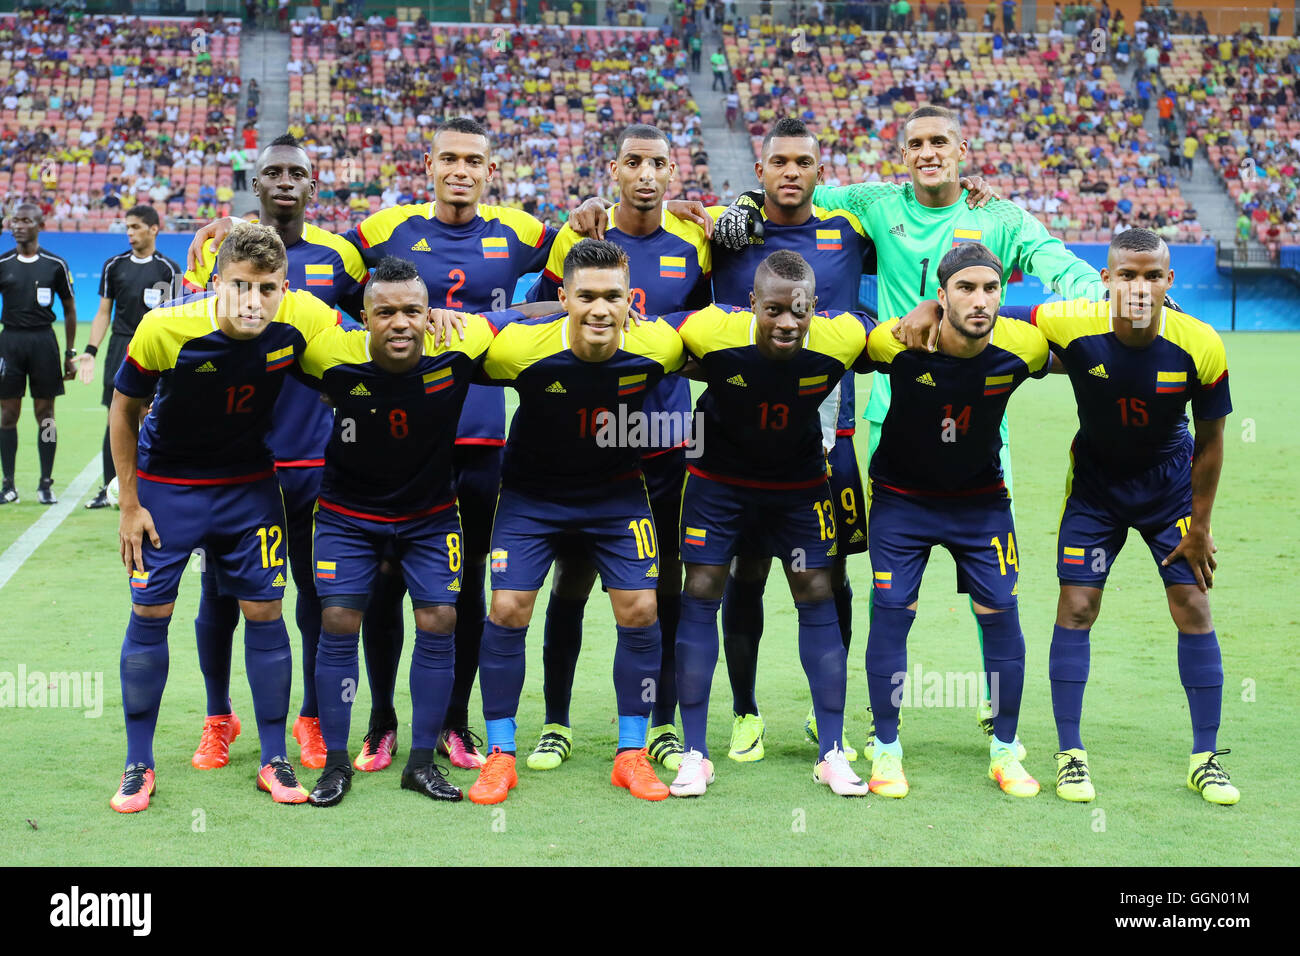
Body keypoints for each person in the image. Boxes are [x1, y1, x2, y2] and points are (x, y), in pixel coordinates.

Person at [714, 105, 1104, 759]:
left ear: (962, 148)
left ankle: (991, 706)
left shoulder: (999, 217)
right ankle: (866, 716)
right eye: (916, 142)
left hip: (982, 418)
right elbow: (797, 188)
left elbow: (1053, 259)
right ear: (903, 151)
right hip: (891, 418)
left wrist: (1104, 293)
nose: (928, 153)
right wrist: (745, 201)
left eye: (940, 142)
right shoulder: (873, 202)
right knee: (885, 580)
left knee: (989, 576)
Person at [999, 229, 1239, 805]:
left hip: (1170, 492)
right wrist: (936, 305)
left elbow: (1211, 442)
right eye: (1126, 275)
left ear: (1169, 282)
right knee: (1077, 607)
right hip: (1096, 490)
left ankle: (1205, 758)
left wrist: (1200, 527)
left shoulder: (1201, 345)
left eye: (1151, 275)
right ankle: (1070, 754)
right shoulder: (1072, 320)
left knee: (1193, 606)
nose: (1138, 287)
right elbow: (991, 306)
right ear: (1105, 280)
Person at [107, 222, 340, 813]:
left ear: (284, 287)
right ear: (216, 283)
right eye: (240, 286)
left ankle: (273, 757)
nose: (253, 301)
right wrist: (130, 504)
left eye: (267, 289)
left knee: (265, 611)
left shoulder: (304, 318)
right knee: (151, 611)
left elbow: (363, 352)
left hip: (249, 488)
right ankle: (139, 763)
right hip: (168, 491)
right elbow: (124, 410)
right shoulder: (166, 327)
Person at [466, 239, 685, 806]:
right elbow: (466, 338)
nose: (599, 309)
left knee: (641, 608)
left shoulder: (656, 344)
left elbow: (716, 327)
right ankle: (500, 755)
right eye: (585, 296)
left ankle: (632, 753)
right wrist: (514, 311)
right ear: (563, 297)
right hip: (531, 497)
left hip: (616, 495)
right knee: (508, 608)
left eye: (613, 297)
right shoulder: (519, 348)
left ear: (629, 300)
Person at [521, 125, 712, 774]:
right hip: (582, 442)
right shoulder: (581, 235)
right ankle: (555, 721)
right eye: (635, 162)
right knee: (570, 582)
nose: (648, 174)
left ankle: (658, 722)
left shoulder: (696, 239)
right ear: (614, 169)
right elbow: (545, 315)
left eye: (660, 163)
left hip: (662, 440)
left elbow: (710, 326)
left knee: (660, 588)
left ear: (673, 170)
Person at [182, 134, 368, 773]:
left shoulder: (339, 255)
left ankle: (312, 719)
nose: (285, 181)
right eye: (272, 173)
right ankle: (218, 716)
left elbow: (376, 321)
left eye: (297, 173)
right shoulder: (221, 249)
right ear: (254, 185)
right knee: (222, 594)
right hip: (234, 463)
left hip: (316, 457)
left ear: (313, 187)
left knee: (319, 592)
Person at [298, 257, 509, 807]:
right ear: (362, 318)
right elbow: (269, 327)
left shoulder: (459, 344)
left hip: (431, 515)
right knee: (339, 618)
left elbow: (521, 318)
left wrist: (574, 303)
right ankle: (337, 763)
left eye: (412, 311)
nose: (399, 323)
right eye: (385, 312)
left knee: (440, 618)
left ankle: (420, 763)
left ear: (428, 313)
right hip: (347, 514)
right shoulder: (329, 354)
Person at [669, 250, 879, 798]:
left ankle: (832, 750)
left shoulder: (841, 336)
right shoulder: (713, 330)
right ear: (752, 305)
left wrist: (927, 311)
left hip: (799, 488)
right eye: (775, 311)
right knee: (703, 590)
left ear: (816, 309)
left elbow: (893, 335)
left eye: (800, 311)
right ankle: (695, 753)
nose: (787, 322)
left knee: (817, 591)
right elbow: (643, 330)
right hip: (718, 485)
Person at [860, 242, 1049, 800]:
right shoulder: (899, 343)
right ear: (941, 297)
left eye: (991, 288)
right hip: (901, 501)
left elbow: (1085, 344)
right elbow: (840, 344)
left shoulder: (1024, 350)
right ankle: (887, 751)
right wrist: (914, 312)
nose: (980, 299)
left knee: (1002, 615)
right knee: (893, 614)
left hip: (981, 504)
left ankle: (1005, 750)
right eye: (965, 288)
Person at [77, 205, 182, 509]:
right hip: (121, 348)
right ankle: (110, 487)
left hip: (154, 348)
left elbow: (175, 318)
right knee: (116, 416)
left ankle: (158, 485)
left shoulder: (169, 269)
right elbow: (102, 313)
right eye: (127, 227)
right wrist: (90, 351)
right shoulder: (114, 266)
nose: (130, 233)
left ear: (154, 229)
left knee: (152, 418)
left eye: (136, 227)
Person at [0, 203, 76, 506]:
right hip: (10, 343)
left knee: (46, 415)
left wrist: (70, 352)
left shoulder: (55, 264)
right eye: (14, 220)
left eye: (25, 221)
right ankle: (8, 484)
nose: (18, 225)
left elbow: (70, 309)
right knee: (7, 414)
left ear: (39, 224)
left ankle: (46, 482)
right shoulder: (3, 262)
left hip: (44, 342)